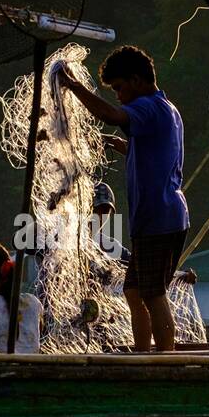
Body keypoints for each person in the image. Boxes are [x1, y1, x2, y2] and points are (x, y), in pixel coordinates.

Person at [60, 46, 190, 351]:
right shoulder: (165, 108)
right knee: (133, 291)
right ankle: (143, 352)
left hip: (159, 217)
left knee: (153, 293)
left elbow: (109, 114)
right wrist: (122, 146)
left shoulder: (147, 107)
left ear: (137, 80)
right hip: (159, 218)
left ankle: (165, 360)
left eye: (119, 88)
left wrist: (74, 86)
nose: (118, 95)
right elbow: (156, 155)